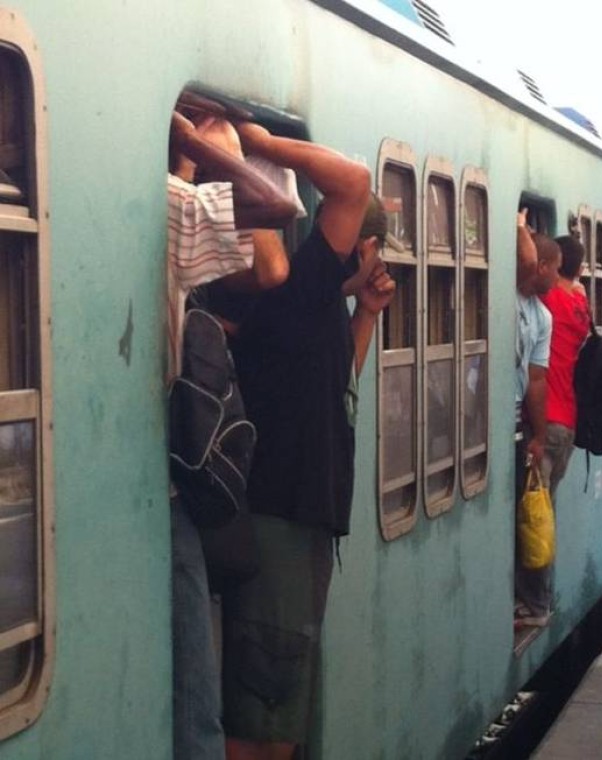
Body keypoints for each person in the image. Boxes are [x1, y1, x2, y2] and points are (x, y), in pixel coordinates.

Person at [219, 121, 395, 760]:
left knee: (279, 698)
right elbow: (352, 181)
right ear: (363, 246)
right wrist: (258, 142)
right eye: (379, 253)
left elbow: (331, 388)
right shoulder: (303, 289)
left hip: (298, 523)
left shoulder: (317, 309)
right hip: (280, 520)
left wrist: (367, 317)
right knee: (264, 706)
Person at [166, 110, 299, 760]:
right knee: (195, 693)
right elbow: (273, 207)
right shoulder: (168, 205)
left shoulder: (170, 205)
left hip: (172, 474)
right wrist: (201, 146)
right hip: (169, 486)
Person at [521, 231, 585, 628]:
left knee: (535, 518)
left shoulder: (552, 304)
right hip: (569, 423)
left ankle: (536, 604)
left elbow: (528, 273)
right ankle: (539, 598)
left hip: (552, 423)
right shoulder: (578, 303)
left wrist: (521, 233)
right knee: (544, 513)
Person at [514, 214, 561, 629]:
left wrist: (539, 435)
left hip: (519, 423)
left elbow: (536, 378)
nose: (558, 278)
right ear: (541, 267)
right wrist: (518, 227)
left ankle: (532, 601)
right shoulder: (508, 296)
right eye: (556, 269)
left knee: (530, 515)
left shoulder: (541, 316)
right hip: (501, 416)